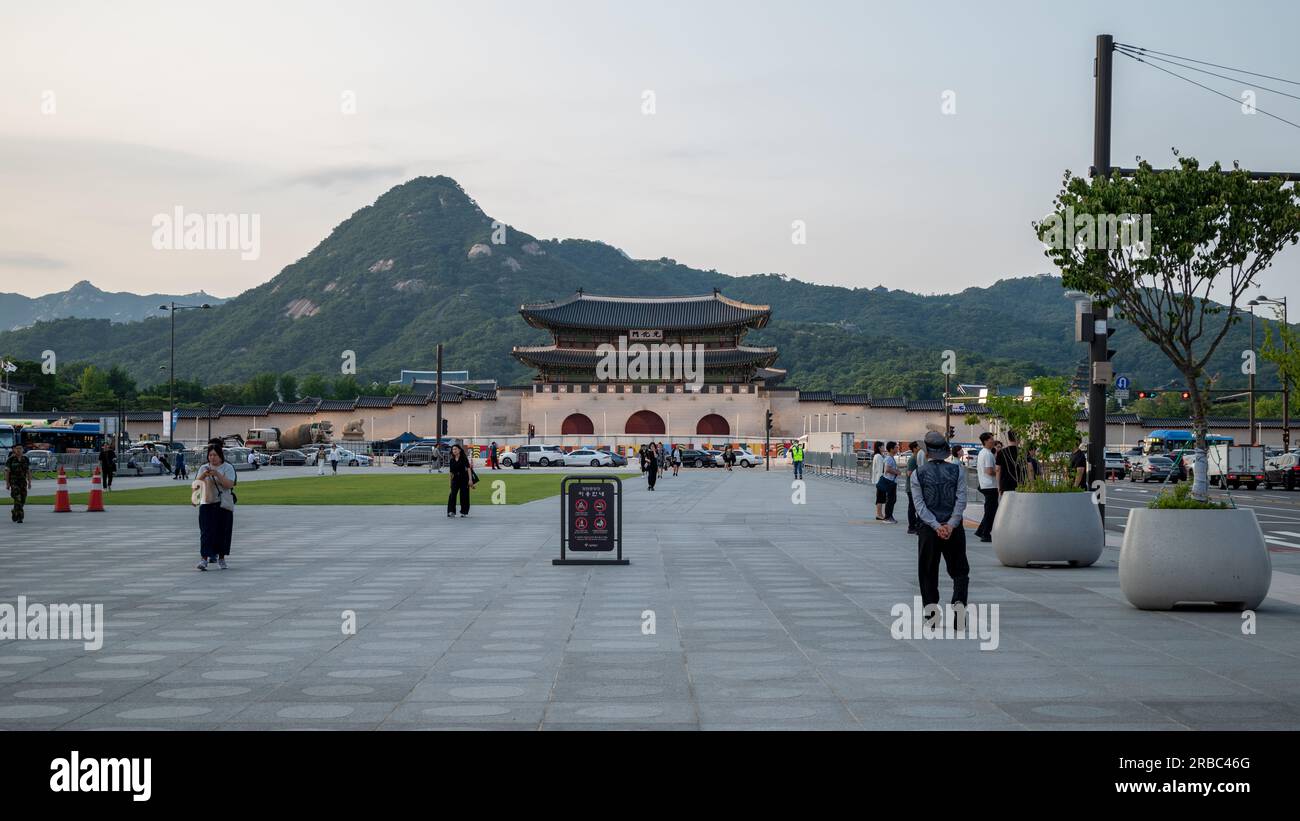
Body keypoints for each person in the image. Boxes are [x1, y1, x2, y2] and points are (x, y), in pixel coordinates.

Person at [910, 431, 970, 625]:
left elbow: (919, 506)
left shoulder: (918, 474)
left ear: (926, 453)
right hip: (954, 528)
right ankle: (959, 605)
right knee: (960, 570)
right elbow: (961, 500)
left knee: (928, 570)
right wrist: (951, 524)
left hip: (929, 529)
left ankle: (932, 614)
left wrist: (936, 526)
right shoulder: (958, 470)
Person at [195, 444, 237, 570]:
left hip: (222, 504)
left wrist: (217, 474)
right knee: (206, 532)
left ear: (220, 456)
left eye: (215, 455)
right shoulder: (203, 467)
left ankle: (221, 558)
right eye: (210, 455)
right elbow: (196, 485)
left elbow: (229, 484)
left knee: (222, 532)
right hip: (206, 503)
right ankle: (204, 559)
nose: (212, 458)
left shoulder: (227, 467)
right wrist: (204, 475)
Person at [974, 432, 998, 543]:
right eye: (991, 439)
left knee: (990, 510)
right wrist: (998, 472)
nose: (993, 441)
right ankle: (985, 533)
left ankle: (981, 531)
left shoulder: (983, 453)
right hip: (990, 485)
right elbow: (989, 471)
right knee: (991, 511)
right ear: (985, 441)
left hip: (985, 485)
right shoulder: (988, 454)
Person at [5, 443, 32, 524]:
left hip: (23, 482)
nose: (19, 450)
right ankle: (20, 517)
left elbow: (29, 471)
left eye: (20, 448)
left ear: (23, 450)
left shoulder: (26, 459)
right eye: (17, 448)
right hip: (14, 482)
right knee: (18, 499)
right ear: (14, 450)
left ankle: (14, 511)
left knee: (23, 500)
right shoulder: (11, 459)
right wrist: (7, 483)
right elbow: (7, 472)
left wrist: (30, 482)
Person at [446, 443, 476, 518]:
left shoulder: (464, 458)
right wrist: (450, 482)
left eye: (455, 449)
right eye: (453, 449)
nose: (454, 450)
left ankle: (464, 512)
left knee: (464, 495)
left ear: (459, 450)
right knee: (452, 495)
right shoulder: (452, 460)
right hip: (455, 479)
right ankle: (451, 511)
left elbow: (469, 469)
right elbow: (451, 473)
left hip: (464, 479)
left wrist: (470, 480)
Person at [877, 441, 901, 523]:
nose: (897, 449)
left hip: (892, 482)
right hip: (889, 482)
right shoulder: (889, 458)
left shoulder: (890, 458)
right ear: (891, 449)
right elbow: (887, 469)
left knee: (892, 500)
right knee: (891, 500)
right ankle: (888, 517)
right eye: (896, 447)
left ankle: (889, 516)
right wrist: (896, 472)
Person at [996, 430, 1022, 496]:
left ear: (1008, 438)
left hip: (1005, 485)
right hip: (1021, 484)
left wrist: (998, 486)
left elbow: (998, 470)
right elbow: (1030, 469)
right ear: (1018, 438)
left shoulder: (1001, 452)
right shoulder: (1023, 452)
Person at [904, 440, 921, 534]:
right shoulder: (913, 459)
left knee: (916, 507)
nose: (921, 448)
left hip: (915, 488)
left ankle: (916, 526)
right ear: (914, 449)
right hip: (911, 488)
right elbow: (909, 473)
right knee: (912, 507)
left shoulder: (918, 457)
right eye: (919, 446)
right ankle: (911, 527)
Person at [870, 442, 886, 518]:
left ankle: (879, 514)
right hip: (880, 480)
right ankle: (879, 514)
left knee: (880, 497)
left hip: (878, 480)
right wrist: (882, 480)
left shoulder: (877, 455)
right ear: (880, 447)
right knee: (880, 497)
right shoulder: (879, 456)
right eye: (883, 446)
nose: (884, 447)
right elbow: (880, 469)